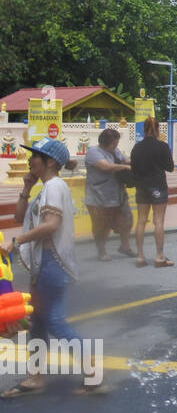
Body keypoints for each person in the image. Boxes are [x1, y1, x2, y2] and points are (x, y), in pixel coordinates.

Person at [3, 139, 84, 398]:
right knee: (38, 323)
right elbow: (18, 217)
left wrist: (16, 242)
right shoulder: (45, 188)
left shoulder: (54, 186)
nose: (29, 160)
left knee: (53, 321)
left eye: (35, 156)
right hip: (44, 264)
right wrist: (26, 187)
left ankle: (93, 371)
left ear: (50, 162)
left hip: (53, 263)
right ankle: (35, 377)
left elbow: (51, 224)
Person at [130, 116, 175, 268]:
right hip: (158, 186)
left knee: (141, 221)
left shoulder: (137, 147)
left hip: (142, 186)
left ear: (144, 130)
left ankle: (140, 256)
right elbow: (170, 167)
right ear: (157, 129)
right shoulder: (162, 146)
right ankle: (159, 256)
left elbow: (133, 169)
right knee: (158, 221)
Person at [84, 127, 135, 261]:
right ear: (105, 142)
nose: (116, 146)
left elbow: (125, 159)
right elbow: (106, 167)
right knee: (102, 225)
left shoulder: (115, 151)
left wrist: (138, 160)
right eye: (114, 143)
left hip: (118, 193)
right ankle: (102, 251)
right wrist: (125, 167)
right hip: (99, 195)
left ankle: (125, 246)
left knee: (127, 219)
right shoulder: (93, 152)